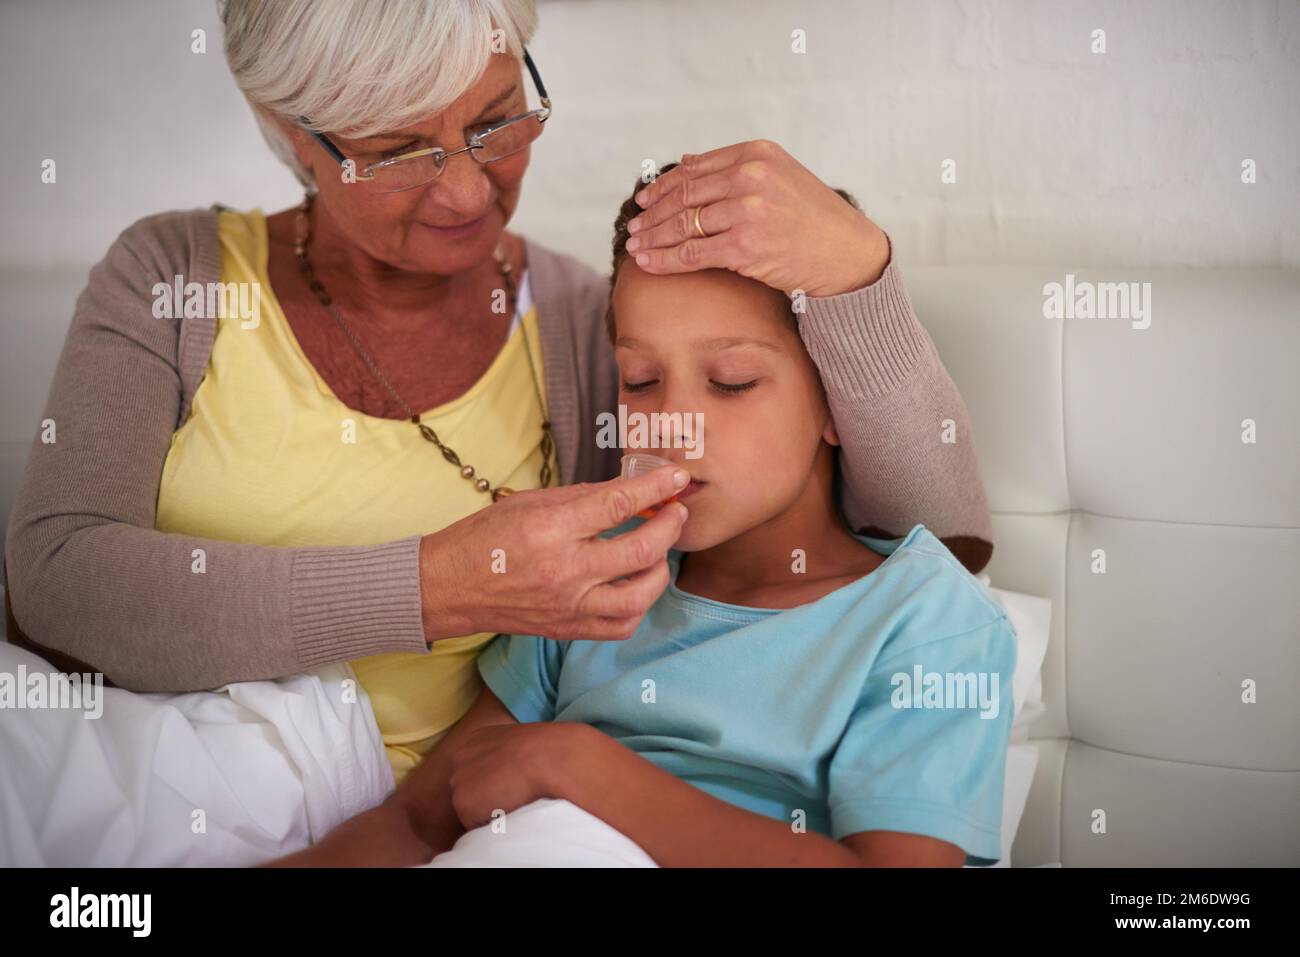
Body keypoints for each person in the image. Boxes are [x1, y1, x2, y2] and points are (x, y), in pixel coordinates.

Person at [3, 0, 992, 793]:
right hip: (138, 764)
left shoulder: (586, 325)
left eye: (495, 122)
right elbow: (55, 583)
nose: (469, 192)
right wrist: (440, 587)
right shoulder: (170, 278)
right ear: (290, 135)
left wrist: (859, 274)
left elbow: (941, 543)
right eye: (396, 152)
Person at [269, 171, 1016, 867]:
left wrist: (578, 765)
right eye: (642, 380)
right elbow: (418, 819)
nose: (672, 426)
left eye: (731, 381)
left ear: (833, 402)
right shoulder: (588, 572)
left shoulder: (925, 619)